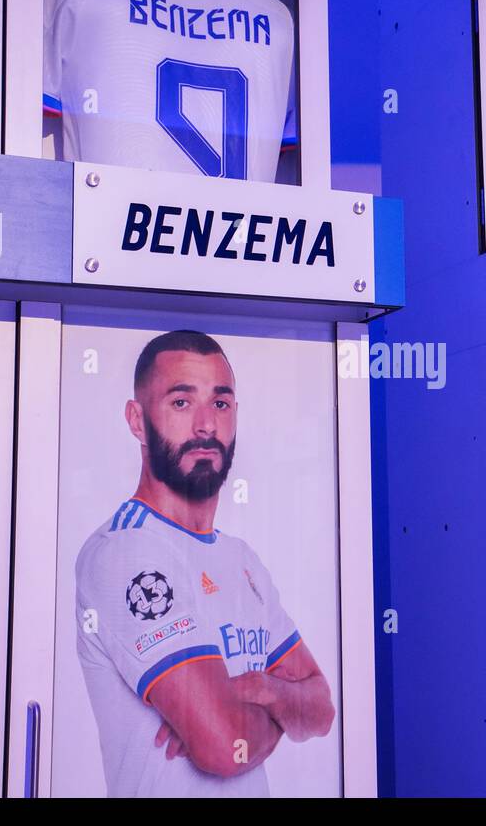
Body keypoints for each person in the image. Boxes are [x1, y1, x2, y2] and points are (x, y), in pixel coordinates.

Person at [75, 330, 334, 797]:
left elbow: (321, 709)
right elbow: (226, 744)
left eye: (220, 404)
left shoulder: (240, 559)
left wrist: (262, 691)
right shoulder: (126, 551)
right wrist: (273, 712)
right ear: (137, 419)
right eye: (180, 402)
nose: (205, 426)